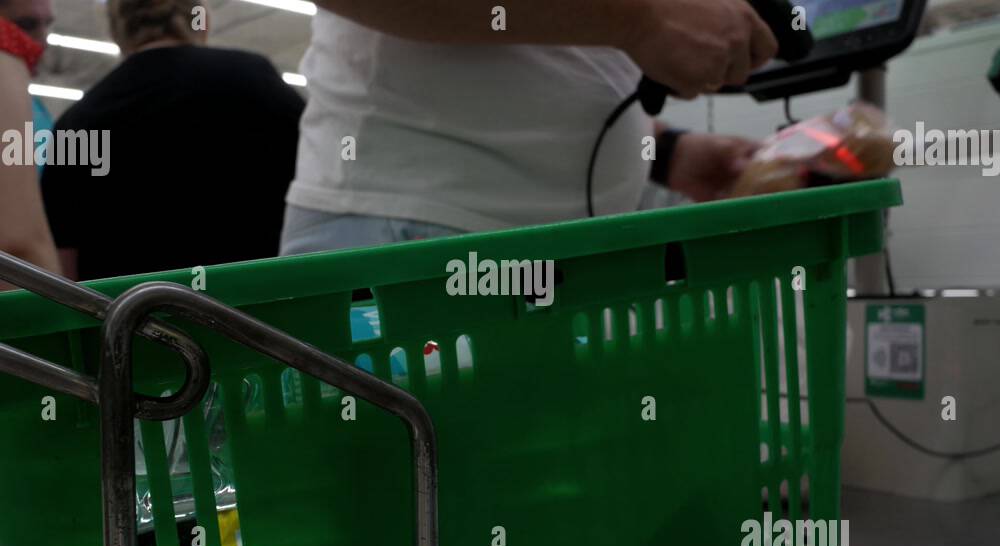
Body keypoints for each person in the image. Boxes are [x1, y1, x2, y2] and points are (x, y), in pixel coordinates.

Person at [281, 0, 776, 256]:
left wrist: (665, 152)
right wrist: (640, 19)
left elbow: (555, 65)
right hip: (410, 240)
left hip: (560, 260)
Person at [41, 0, 305, 281]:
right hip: (257, 306)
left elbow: (63, 263)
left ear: (116, 30)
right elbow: (314, 185)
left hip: (131, 315)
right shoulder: (257, 80)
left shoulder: (77, 123)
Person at [0, 0, 61, 278]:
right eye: (26, 25)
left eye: (47, 24)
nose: (42, 39)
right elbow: (18, 242)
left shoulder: (36, 107)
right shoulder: (4, 61)